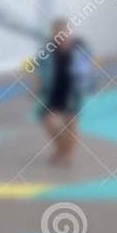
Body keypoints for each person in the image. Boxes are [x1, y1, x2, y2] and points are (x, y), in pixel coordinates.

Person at [37, 19, 93, 167]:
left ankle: (67, 154)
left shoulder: (80, 48)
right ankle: (62, 148)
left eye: (64, 32)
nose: (61, 36)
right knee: (47, 120)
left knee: (71, 124)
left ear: (69, 33)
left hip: (72, 91)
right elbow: (40, 69)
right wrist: (36, 87)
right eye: (57, 33)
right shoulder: (47, 50)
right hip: (53, 91)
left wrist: (86, 84)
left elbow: (87, 68)